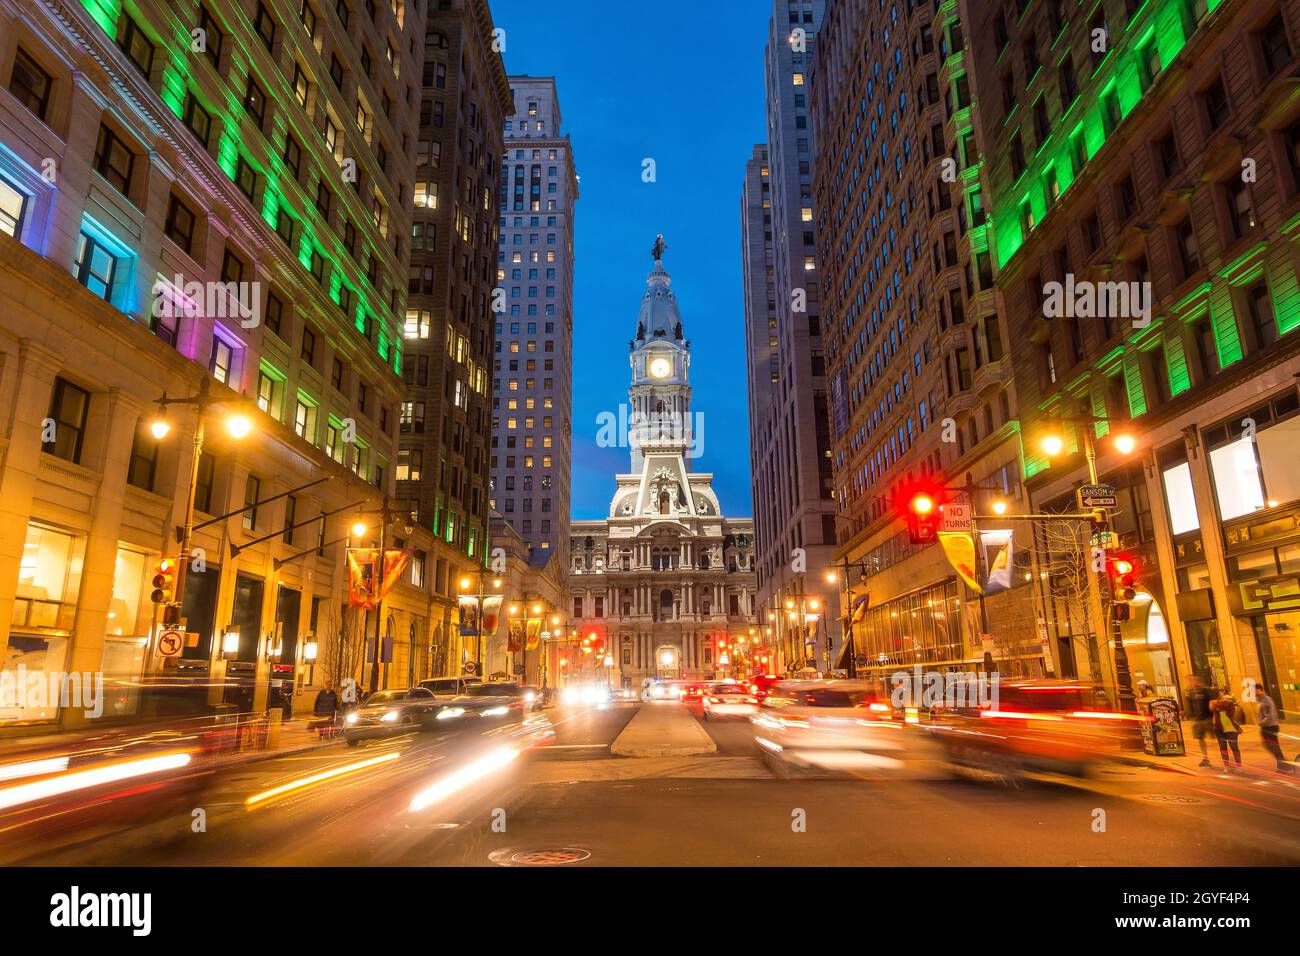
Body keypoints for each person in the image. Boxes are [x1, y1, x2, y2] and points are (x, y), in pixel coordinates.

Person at [1254, 681, 1288, 773]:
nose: (1254, 693)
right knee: (1270, 746)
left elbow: (1270, 715)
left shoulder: (1266, 700)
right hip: (1266, 727)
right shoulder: (1260, 700)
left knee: (1273, 746)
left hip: (1270, 726)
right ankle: (1284, 765)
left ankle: (1285, 766)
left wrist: (1261, 722)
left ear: (1260, 690)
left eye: (1255, 691)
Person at [1186, 675, 1217, 768]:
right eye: (1191, 680)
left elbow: (1213, 701)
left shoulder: (1205, 691)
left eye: (1195, 680)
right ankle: (1205, 758)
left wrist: (1213, 716)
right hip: (1198, 720)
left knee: (1216, 738)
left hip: (1207, 719)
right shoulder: (1190, 692)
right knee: (1200, 738)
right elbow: (1190, 705)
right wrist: (1191, 716)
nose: (1193, 682)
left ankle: (1225, 757)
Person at [1211, 692, 1245, 770]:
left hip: (1230, 729)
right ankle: (1226, 765)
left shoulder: (1229, 703)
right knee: (1223, 747)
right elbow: (1211, 709)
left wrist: (1218, 706)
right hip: (1219, 729)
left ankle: (1239, 765)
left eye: (1220, 694)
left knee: (1234, 747)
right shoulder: (1213, 704)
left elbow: (1230, 713)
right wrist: (1216, 706)